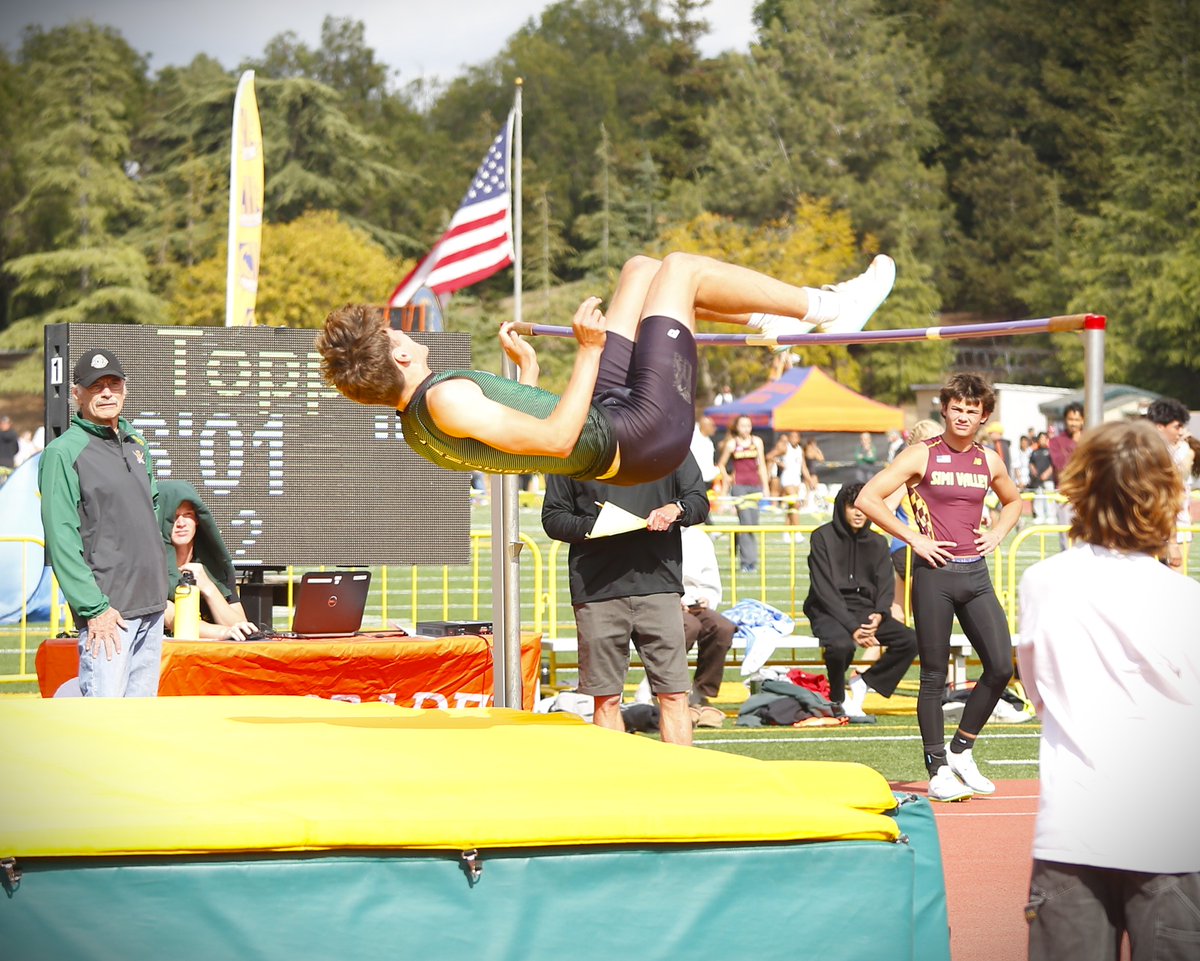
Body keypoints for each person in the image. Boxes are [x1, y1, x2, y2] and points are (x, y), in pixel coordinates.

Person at [316, 252, 896, 487]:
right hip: (638, 436)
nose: (404, 333)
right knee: (682, 270)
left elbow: (518, 445)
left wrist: (528, 376)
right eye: (395, 333)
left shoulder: (421, 421)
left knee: (642, 270)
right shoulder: (444, 398)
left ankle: (776, 322)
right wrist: (588, 350)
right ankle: (826, 307)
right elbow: (554, 441)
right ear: (398, 357)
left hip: (611, 420)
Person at [1017, 421, 1200, 961]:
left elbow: (1039, 689)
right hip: (1171, 832)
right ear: (1166, 497)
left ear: (1081, 487)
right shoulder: (1186, 600)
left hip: (1075, 828)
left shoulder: (1043, 581)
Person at [855, 372, 1023, 802]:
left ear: (984, 416)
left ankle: (961, 749)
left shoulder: (989, 461)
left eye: (972, 410)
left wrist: (998, 532)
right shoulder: (921, 454)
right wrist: (914, 537)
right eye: (957, 408)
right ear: (945, 409)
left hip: (976, 575)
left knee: (1000, 666)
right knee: (933, 674)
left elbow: (1014, 501)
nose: (963, 416)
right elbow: (868, 498)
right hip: (935, 576)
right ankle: (936, 768)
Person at [541, 454, 714, 745]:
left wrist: (676, 508)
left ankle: (682, 770)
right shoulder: (576, 451)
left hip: (659, 585)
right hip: (597, 590)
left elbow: (698, 501)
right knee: (606, 697)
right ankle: (614, 772)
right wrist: (597, 526)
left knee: (673, 693)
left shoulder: (669, 445)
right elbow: (553, 518)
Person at [38, 348, 168, 697]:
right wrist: (94, 608)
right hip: (108, 614)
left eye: (114, 384)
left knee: (139, 723)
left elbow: (152, 512)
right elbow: (61, 537)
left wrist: (163, 587)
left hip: (153, 605)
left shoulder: (137, 443)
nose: (107, 393)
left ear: (125, 388)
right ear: (76, 394)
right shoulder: (62, 453)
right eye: (96, 386)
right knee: (102, 719)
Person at [803, 483, 918, 719]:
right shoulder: (822, 537)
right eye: (851, 507)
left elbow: (885, 584)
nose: (858, 513)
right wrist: (853, 627)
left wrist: (880, 614)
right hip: (827, 610)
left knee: (910, 640)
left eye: (862, 508)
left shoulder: (878, 542)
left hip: (865, 609)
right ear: (841, 508)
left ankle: (865, 681)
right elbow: (824, 589)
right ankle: (837, 697)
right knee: (840, 645)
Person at [159, 480, 259, 641]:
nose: (181, 523)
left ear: (198, 519)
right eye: (173, 517)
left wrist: (208, 587)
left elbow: (240, 626)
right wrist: (223, 633)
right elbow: (176, 621)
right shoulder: (150, 570)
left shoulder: (215, 566)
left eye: (188, 515)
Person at [884, 419, 942, 621]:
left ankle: (886, 641)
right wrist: (909, 535)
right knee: (928, 612)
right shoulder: (909, 475)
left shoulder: (935, 473)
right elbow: (887, 506)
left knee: (899, 610)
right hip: (911, 549)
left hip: (918, 548)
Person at [679, 523, 736, 707]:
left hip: (695, 602)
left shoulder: (698, 537)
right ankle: (656, 688)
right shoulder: (649, 536)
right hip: (663, 603)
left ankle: (701, 692)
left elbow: (710, 579)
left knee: (722, 628)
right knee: (689, 626)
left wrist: (707, 598)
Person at [715, 414, 770, 572]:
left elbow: (762, 465)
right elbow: (721, 464)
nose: (746, 429)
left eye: (748, 426)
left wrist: (765, 487)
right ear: (737, 427)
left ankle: (736, 542)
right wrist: (727, 478)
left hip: (755, 486)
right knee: (746, 523)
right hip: (740, 487)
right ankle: (748, 562)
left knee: (753, 524)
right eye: (742, 426)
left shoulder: (757, 442)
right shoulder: (732, 444)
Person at [1146, 396, 1193, 571]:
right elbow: (1167, 500)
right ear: (1160, 427)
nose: (1181, 432)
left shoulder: (1180, 450)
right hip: (1157, 534)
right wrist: (1172, 542)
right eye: (1177, 426)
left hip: (1176, 531)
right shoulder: (1150, 455)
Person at [1047, 402, 1084, 548]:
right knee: (1067, 540)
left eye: (1077, 419)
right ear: (1065, 420)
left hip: (1087, 495)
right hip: (1065, 495)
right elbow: (1061, 465)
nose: (1073, 423)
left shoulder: (1089, 439)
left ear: (1083, 420)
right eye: (1070, 419)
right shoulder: (1056, 442)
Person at [767, 429, 810, 538]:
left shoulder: (800, 450)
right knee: (796, 503)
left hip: (796, 479)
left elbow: (803, 466)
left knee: (792, 506)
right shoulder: (785, 448)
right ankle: (797, 532)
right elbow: (769, 456)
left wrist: (809, 479)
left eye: (796, 437)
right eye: (792, 436)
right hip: (787, 478)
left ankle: (786, 532)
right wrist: (779, 463)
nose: (793, 439)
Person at [1027, 431, 1054, 522]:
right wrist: (1033, 470)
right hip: (1037, 480)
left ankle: (1051, 516)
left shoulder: (1050, 451)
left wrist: (1047, 474)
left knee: (1050, 498)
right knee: (1038, 498)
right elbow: (1031, 463)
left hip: (1048, 479)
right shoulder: (1034, 452)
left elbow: (1053, 465)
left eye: (1044, 438)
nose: (1042, 440)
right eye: (1040, 438)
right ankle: (1039, 516)